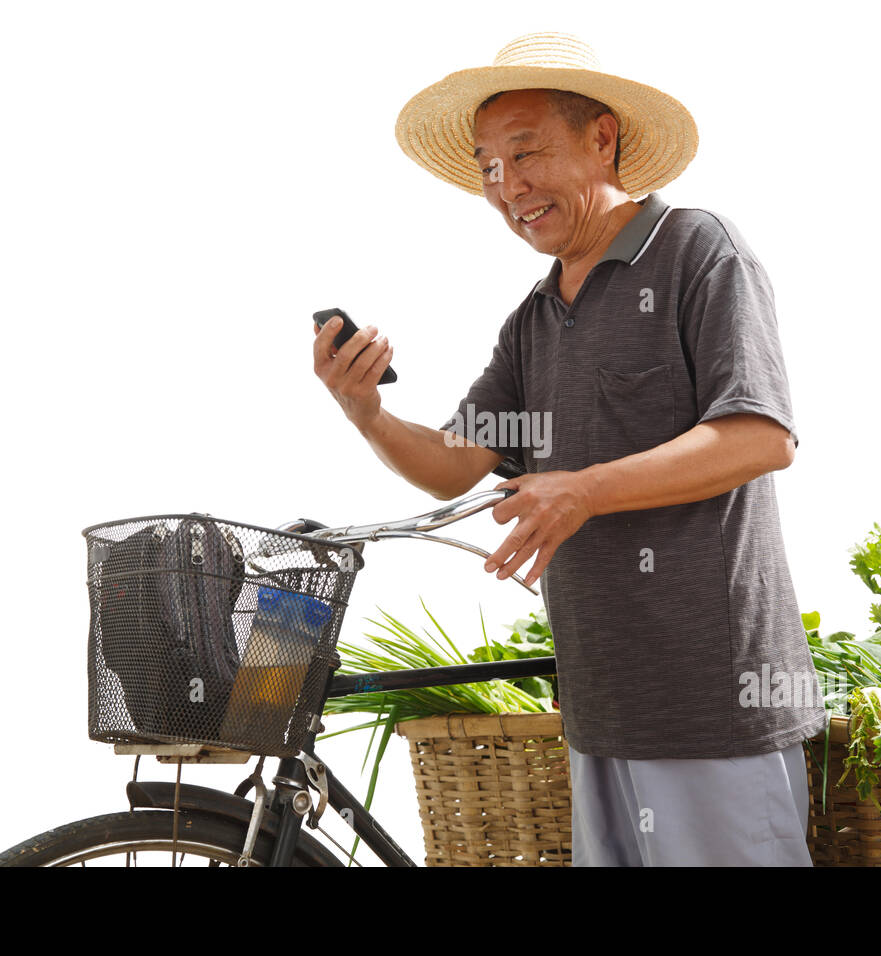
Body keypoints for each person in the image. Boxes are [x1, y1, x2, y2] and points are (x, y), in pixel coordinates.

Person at [313, 32, 825, 866]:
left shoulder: (698, 251)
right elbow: (454, 461)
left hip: (710, 706)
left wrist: (580, 489)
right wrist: (365, 411)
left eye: (526, 153)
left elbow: (758, 436)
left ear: (602, 138)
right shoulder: (536, 320)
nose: (507, 187)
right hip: (600, 708)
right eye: (486, 167)